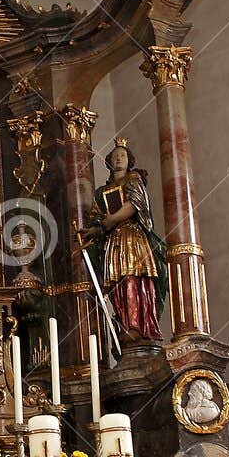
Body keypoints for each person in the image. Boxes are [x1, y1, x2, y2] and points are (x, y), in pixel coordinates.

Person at [79, 137, 167, 343]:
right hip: (114, 242)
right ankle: (125, 324)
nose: (119, 159)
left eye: (123, 156)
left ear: (129, 161)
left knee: (132, 277)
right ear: (109, 162)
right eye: (115, 156)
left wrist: (112, 219)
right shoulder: (101, 193)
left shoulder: (133, 180)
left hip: (132, 237)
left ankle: (137, 324)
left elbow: (134, 205)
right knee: (117, 283)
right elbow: (98, 218)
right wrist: (92, 231)